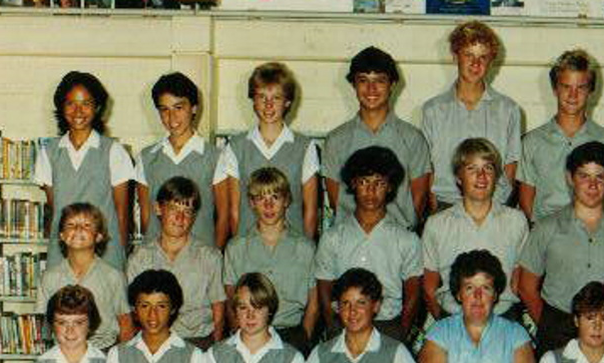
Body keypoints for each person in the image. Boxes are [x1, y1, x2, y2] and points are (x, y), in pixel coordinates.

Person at [517, 141, 604, 353]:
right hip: (558, 328)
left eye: (600, 177)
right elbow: (526, 286)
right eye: (584, 176)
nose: (592, 185)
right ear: (570, 178)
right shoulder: (546, 228)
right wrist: (549, 325)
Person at [314, 146, 422, 343]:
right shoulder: (333, 238)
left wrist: (401, 333)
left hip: (387, 325)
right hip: (345, 326)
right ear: (353, 183)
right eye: (364, 182)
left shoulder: (406, 239)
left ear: (390, 186)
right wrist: (333, 327)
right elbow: (324, 287)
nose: (371, 191)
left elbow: (414, 293)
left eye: (379, 183)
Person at [323, 46, 431, 230]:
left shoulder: (413, 139)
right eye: (363, 80)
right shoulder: (336, 140)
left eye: (380, 80)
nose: (371, 88)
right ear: (353, 85)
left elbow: (418, 202)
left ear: (392, 84)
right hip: (349, 240)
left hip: (398, 241)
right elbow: (336, 201)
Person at [421, 138, 529, 322]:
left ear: (496, 176)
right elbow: (429, 286)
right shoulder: (437, 224)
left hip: (503, 318)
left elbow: (519, 280)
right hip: (454, 318)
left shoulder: (516, 221)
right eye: (472, 169)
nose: (481, 176)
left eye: (488, 168)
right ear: (458, 177)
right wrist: (445, 325)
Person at [36, 71, 135, 270]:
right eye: (71, 103)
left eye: (86, 103)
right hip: (64, 251)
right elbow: (56, 209)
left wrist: (119, 256)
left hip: (105, 252)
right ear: (61, 107)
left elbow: (122, 214)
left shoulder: (114, 151)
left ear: (97, 107)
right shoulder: (49, 152)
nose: (78, 111)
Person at [421, 20, 522, 210]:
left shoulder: (508, 110)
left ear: (491, 60)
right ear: (455, 55)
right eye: (469, 55)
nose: (476, 63)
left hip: (493, 206)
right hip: (446, 205)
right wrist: (435, 209)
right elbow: (428, 167)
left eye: (483, 57)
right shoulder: (433, 110)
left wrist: (500, 205)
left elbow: (510, 165)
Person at [518, 49, 604, 223]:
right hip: (547, 235)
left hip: (592, 234)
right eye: (566, 87)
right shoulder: (532, 141)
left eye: (581, 87)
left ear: (591, 91)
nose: (573, 95)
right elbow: (526, 202)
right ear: (555, 89)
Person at [218, 62, 320, 239]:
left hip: (291, 248)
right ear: (253, 100)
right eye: (262, 97)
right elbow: (234, 211)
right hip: (249, 247)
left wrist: (307, 251)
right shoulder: (236, 147)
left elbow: (310, 211)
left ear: (287, 102)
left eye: (276, 98)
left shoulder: (304, 147)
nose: (268, 105)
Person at [223, 167, 317, 355]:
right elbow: (230, 301)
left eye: (275, 197)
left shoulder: (306, 248)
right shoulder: (236, 248)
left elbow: (313, 305)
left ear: (287, 201)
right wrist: (240, 337)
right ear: (251, 203)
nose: (268, 205)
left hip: (291, 335)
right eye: (260, 198)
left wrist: (303, 337)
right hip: (249, 337)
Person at [126, 176, 225, 350]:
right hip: (154, 342)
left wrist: (215, 349)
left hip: (197, 340)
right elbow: (131, 310)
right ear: (158, 208)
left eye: (187, 211)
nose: (180, 217)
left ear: (193, 217)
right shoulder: (139, 258)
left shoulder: (210, 257)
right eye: (173, 208)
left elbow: (219, 309)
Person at [136, 71, 231, 248]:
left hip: (200, 261)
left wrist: (214, 257)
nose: (171, 118)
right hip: (158, 261)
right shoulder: (147, 157)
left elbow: (224, 216)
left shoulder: (216, 157)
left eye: (178, 108)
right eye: (164, 109)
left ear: (194, 108)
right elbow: (146, 216)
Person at [37, 202, 134, 351]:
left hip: (104, 351)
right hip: (65, 352)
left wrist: (119, 360)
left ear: (99, 236)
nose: (78, 229)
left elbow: (125, 324)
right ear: (62, 235)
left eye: (87, 225)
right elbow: (46, 327)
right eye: (71, 225)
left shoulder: (113, 276)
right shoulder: (50, 277)